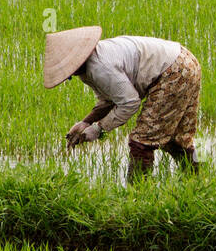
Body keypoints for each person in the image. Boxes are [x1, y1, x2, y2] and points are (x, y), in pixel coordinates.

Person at [44, 26, 202, 182]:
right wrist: (86, 122)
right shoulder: (90, 66)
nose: (68, 75)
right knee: (178, 138)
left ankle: (137, 195)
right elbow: (109, 100)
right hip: (185, 61)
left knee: (141, 141)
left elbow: (130, 103)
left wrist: (98, 129)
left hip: (173, 71)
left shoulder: (100, 68)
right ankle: (196, 182)